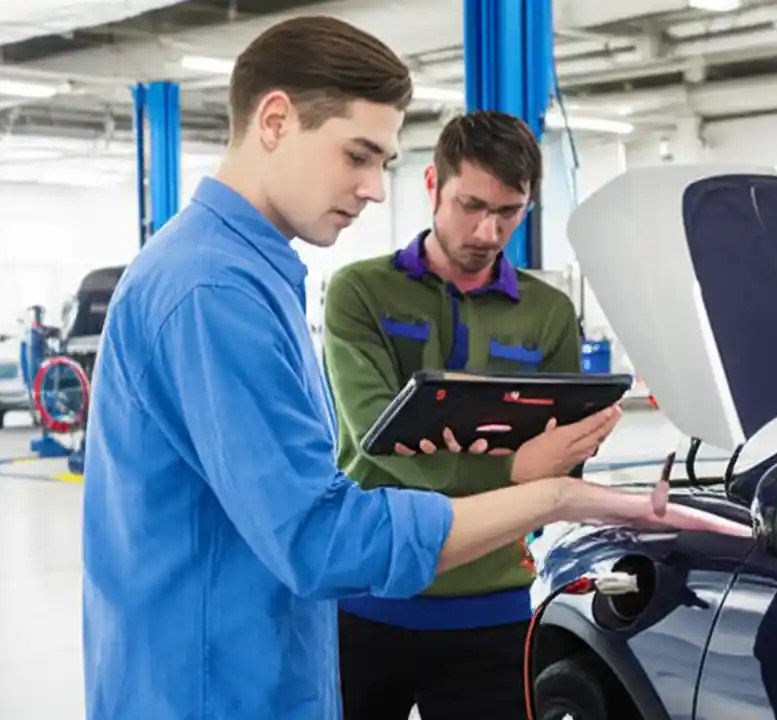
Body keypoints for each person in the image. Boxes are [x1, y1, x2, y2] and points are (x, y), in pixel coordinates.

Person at [80, 14, 676, 720]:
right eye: (357, 155)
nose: (371, 188)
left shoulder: (249, 271)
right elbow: (318, 537)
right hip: (216, 692)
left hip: (251, 669)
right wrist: (546, 494)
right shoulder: (214, 291)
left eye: (381, 164)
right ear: (275, 120)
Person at [321, 110, 590, 719]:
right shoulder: (359, 292)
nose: (489, 231)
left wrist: (550, 473)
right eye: (471, 205)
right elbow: (378, 440)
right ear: (431, 185)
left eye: (510, 212)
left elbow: (565, 466)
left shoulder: (548, 314)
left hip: (491, 606)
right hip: (367, 595)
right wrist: (522, 471)